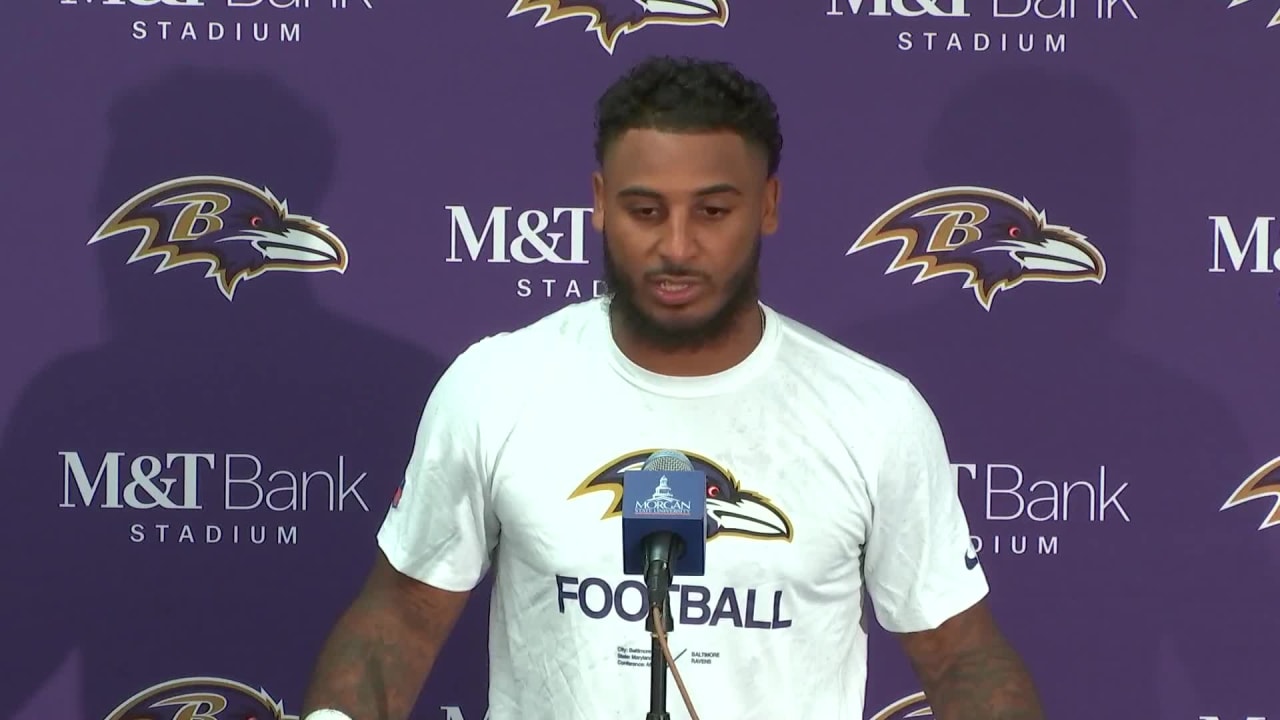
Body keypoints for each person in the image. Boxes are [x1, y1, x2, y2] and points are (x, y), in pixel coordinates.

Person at [299, 55, 1043, 720]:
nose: (678, 246)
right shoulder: (498, 385)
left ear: (769, 206)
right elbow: (400, 616)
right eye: (645, 210)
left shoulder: (875, 414)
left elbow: (959, 657)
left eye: (714, 212)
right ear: (598, 201)